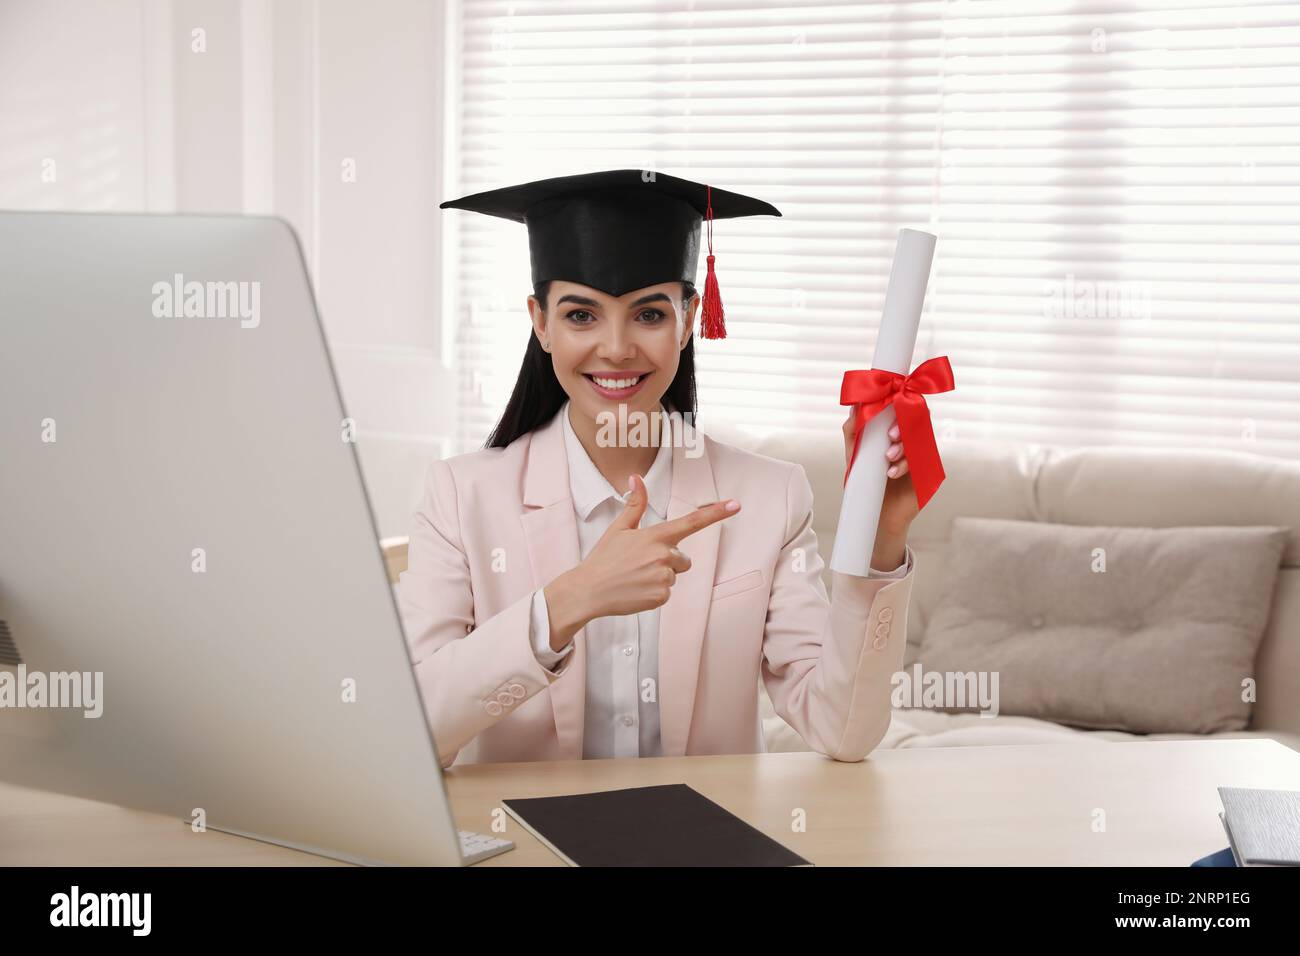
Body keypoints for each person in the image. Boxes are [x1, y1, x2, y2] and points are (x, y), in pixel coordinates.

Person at [399, 169, 918, 767]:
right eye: (581, 316)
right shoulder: (463, 497)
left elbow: (841, 731)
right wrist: (568, 602)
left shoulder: (770, 496)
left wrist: (880, 543)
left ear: (689, 318)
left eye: (648, 315)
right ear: (540, 322)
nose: (617, 348)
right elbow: (411, 736)